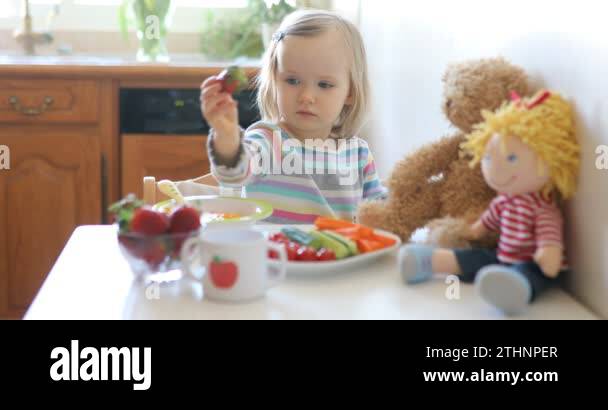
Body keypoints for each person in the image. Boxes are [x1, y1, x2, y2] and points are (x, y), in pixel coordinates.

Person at [399, 90, 580, 315]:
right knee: (475, 257)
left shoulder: (542, 207)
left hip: (531, 262)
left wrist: (548, 250)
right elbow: (484, 225)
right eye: (488, 158)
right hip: (500, 255)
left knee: (529, 273)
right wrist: (471, 232)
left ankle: (514, 290)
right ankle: (427, 261)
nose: (495, 169)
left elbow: (549, 238)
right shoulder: (502, 202)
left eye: (511, 158)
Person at [200, 10, 385, 224]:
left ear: (350, 92)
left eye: (324, 85)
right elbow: (235, 170)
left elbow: (380, 215)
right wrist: (227, 135)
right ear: (275, 81)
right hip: (271, 256)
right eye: (292, 81)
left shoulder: (358, 154)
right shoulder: (267, 140)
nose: (306, 97)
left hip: (340, 257)